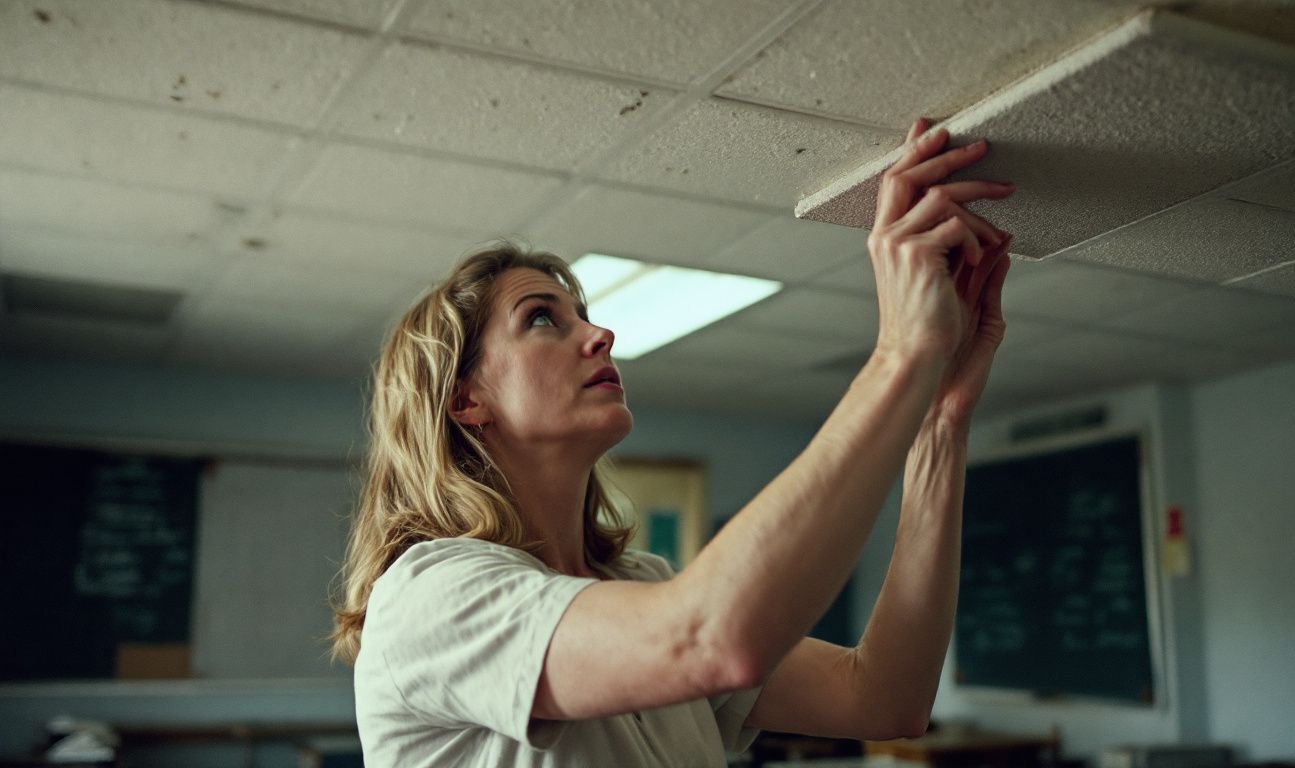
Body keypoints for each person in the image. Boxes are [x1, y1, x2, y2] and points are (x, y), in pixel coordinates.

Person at [331, 118, 1015, 767]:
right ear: (465, 398)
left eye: (585, 317)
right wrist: (900, 353)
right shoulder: (430, 597)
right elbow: (711, 640)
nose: (599, 336)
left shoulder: (641, 585)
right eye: (542, 319)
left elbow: (883, 696)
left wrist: (939, 421)